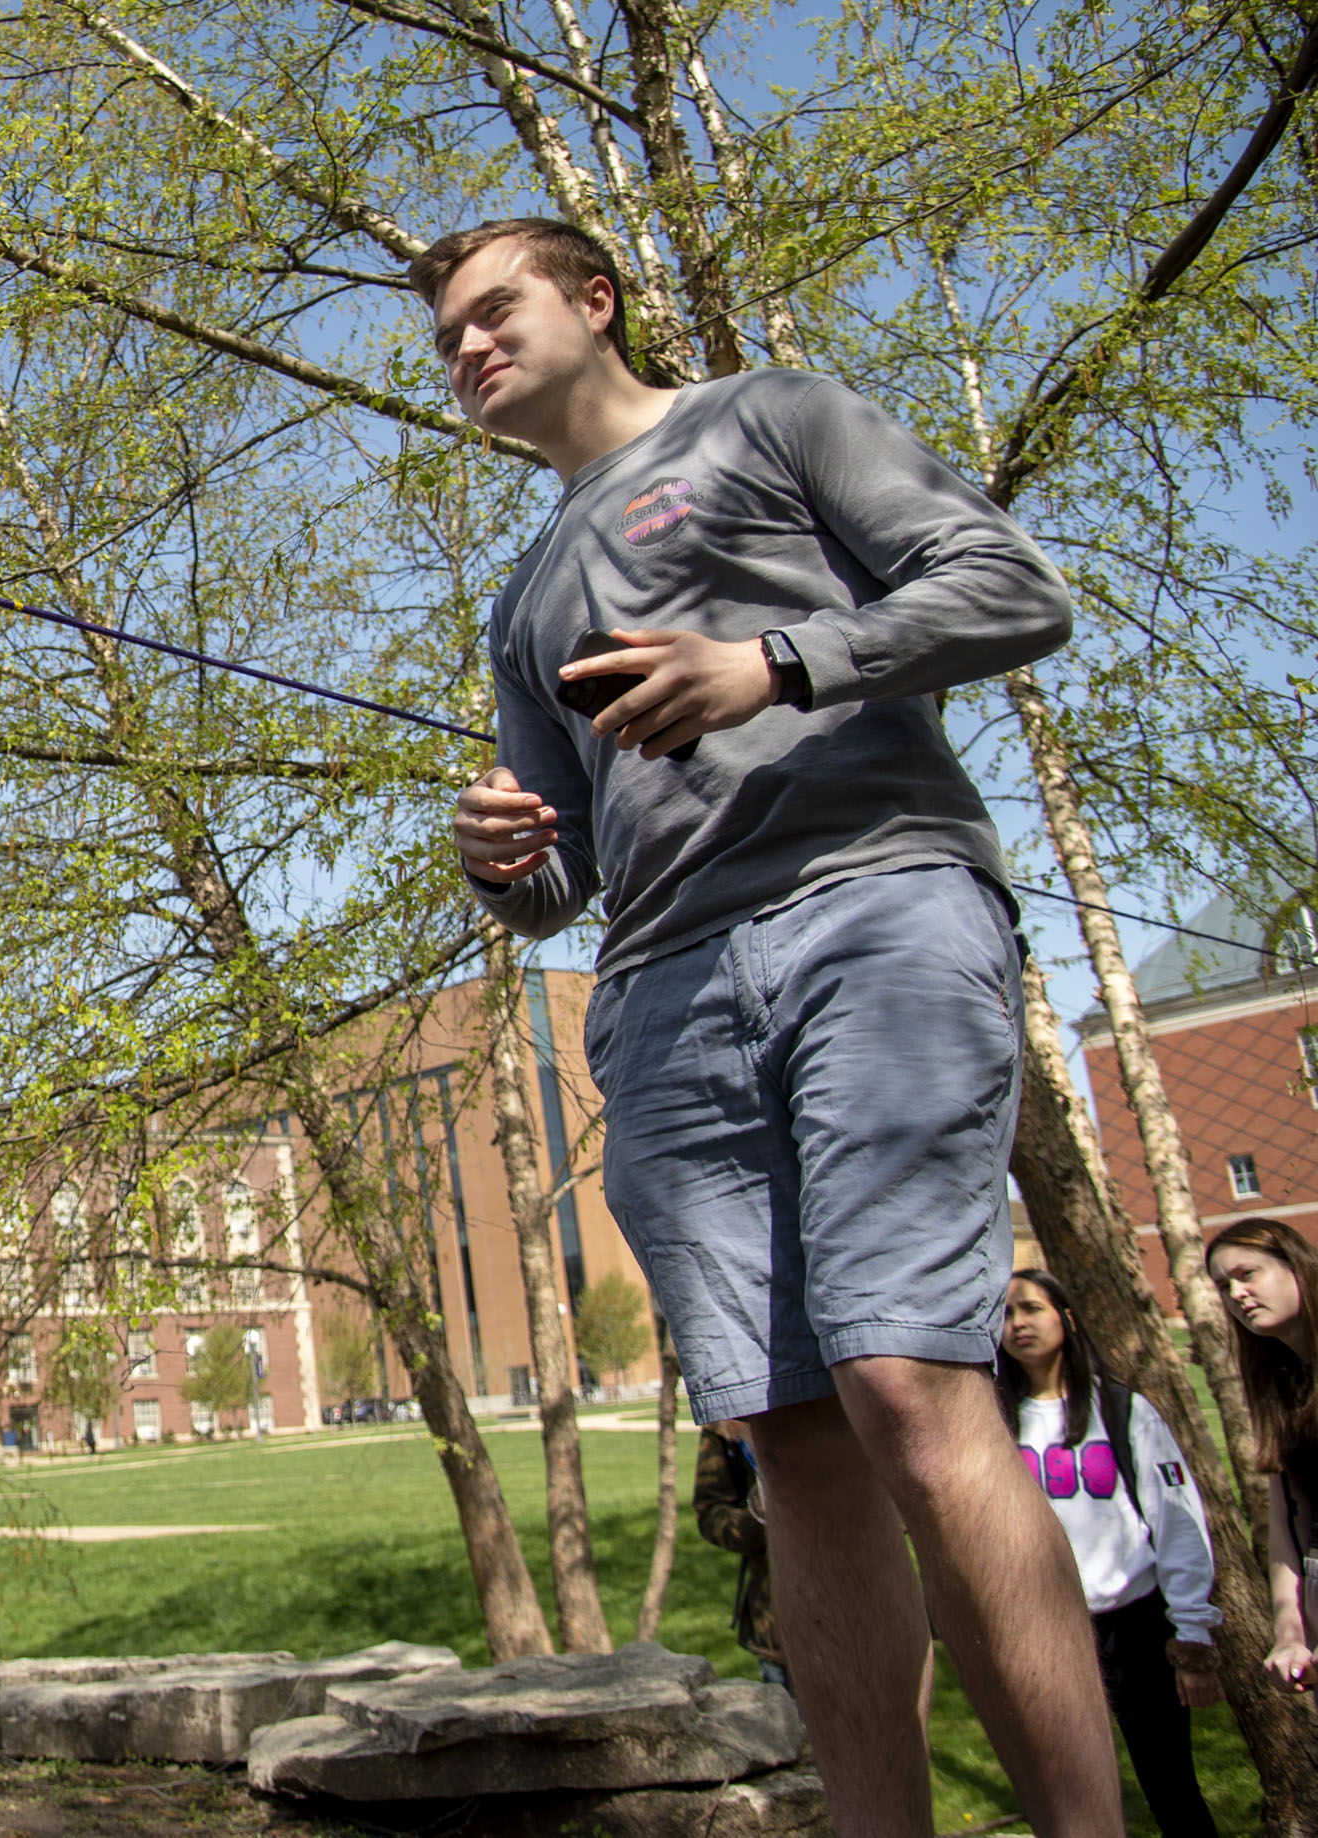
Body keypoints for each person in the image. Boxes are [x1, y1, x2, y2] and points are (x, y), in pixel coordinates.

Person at [416, 215, 1119, 1834]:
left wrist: (776, 661)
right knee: (794, 1444)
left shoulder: (775, 416)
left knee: (910, 1395)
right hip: (662, 991)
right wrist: (504, 869)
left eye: (493, 310)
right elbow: (566, 874)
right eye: (446, 334)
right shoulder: (527, 596)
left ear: (595, 299)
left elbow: (1014, 588)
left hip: (874, 907)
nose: (466, 348)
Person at [995, 1270, 1223, 1837]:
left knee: (1170, 1787)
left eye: (1031, 1309)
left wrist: (1192, 1635)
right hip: (1046, 1633)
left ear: (1066, 1319)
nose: (1017, 1324)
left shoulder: (1122, 1410)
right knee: (1068, 1792)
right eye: (1005, 1314)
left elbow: (1177, 1521)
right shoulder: (994, 1424)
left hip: (1133, 1628)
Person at [1204, 1216, 1318, 1696]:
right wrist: (1289, 1632)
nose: (1236, 1294)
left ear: (1296, 1266)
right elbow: (1288, 1519)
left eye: (1248, 1274)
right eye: (1224, 1286)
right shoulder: (1282, 1385)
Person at [691, 1419, 787, 1693]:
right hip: (778, 1623)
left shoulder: (842, 1385)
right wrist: (757, 1519)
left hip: (868, 1609)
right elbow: (711, 1511)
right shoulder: (726, 1418)